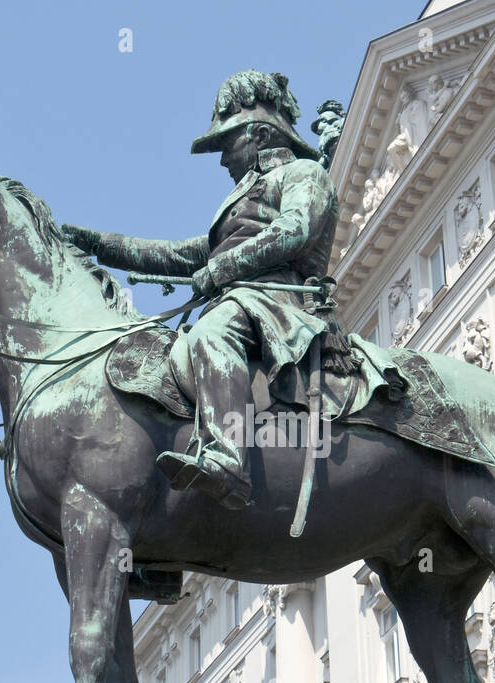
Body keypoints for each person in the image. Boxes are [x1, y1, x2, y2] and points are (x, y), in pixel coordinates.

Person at [63, 70, 340, 510]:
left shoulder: (303, 173)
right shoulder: (242, 198)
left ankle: (229, 459)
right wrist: (100, 245)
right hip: (243, 300)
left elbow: (296, 230)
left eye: (226, 143)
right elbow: (178, 254)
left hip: (278, 302)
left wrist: (222, 268)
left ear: (259, 135)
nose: (221, 158)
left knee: (211, 334)